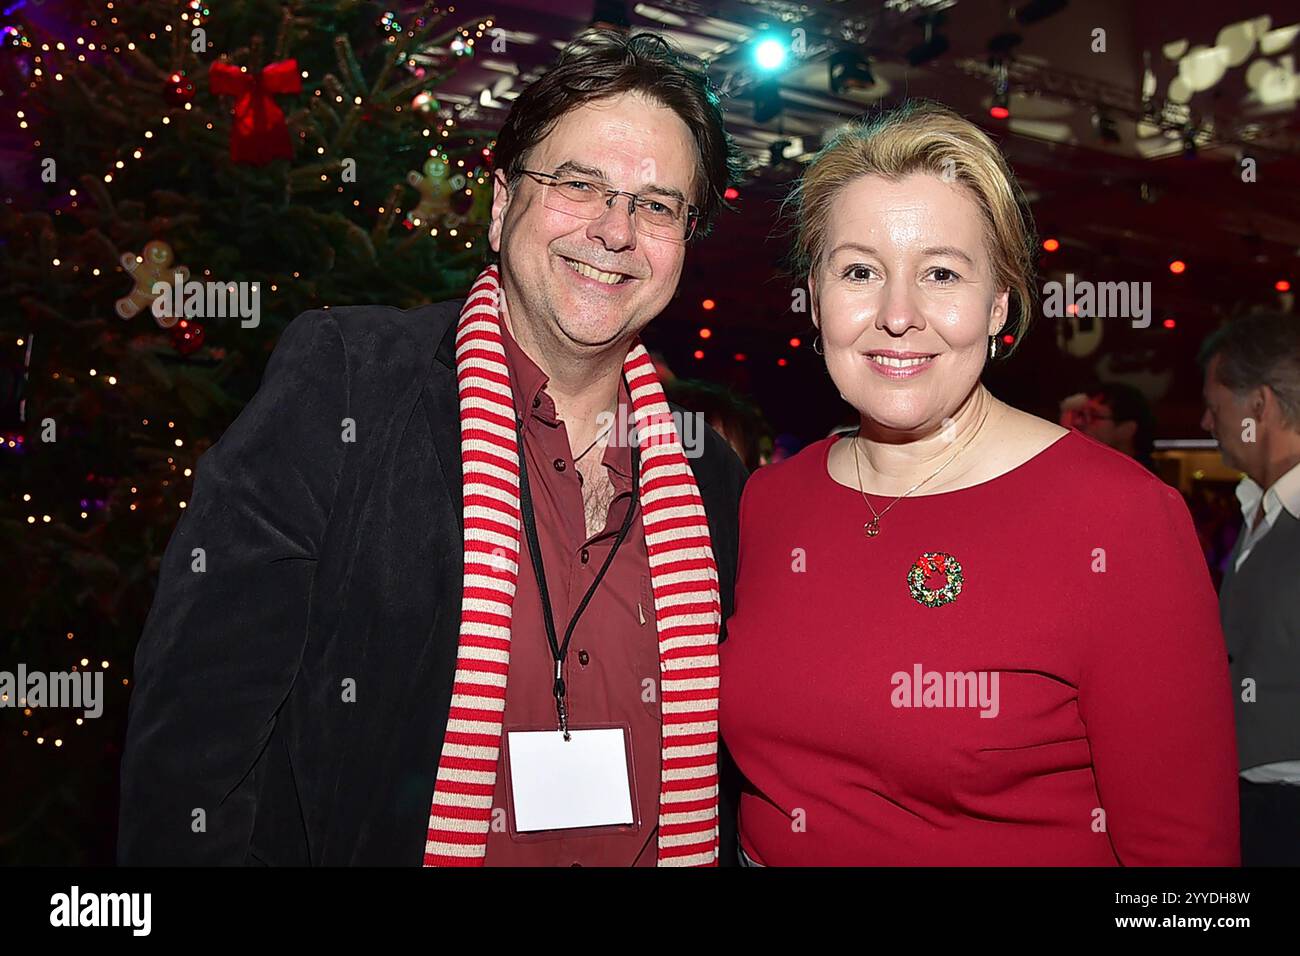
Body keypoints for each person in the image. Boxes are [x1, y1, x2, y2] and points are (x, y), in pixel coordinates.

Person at [118, 30, 750, 867]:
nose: (615, 230)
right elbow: (197, 727)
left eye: (658, 205)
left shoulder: (711, 476)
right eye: (578, 184)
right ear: (499, 205)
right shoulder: (351, 382)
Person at [718, 101, 1239, 866]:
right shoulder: (768, 502)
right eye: (860, 270)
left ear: (999, 304)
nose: (898, 316)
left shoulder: (1120, 520)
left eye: (941, 273)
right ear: (815, 297)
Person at [1198, 311, 1300, 866]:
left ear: (1257, 407)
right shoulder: (1256, 507)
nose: (1208, 423)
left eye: (1217, 407)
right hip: (1254, 806)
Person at [1059, 381, 1157, 471]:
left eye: (1094, 416)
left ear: (1127, 430)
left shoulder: (1142, 481)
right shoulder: (1082, 468)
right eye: (1081, 414)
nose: (1077, 422)